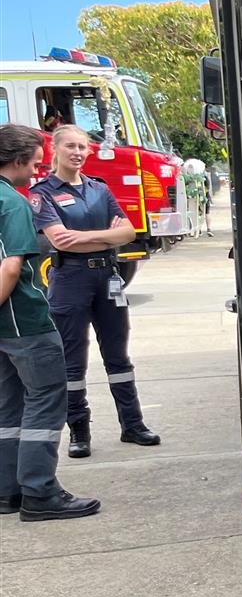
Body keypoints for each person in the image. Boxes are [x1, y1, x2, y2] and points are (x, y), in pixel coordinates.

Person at [29, 125, 160, 458]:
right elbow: (60, 240)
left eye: (83, 147)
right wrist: (106, 236)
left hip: (107, 278)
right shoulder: (42, 193)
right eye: (70, 146)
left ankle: (133, 425)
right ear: (55, 150)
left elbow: (129, 232)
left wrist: (87, 238)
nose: (77, 152)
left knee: (118, 357)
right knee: (73, 363)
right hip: (69, 280)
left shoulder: (99, 189)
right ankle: (79, 431)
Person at [0, 124, 99, 520]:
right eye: (34, 164)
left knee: (8, 410)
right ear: (19, 161)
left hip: (4, 332)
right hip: (25, 323)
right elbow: (11, 268)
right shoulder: (13, 203)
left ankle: (8, 490)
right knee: (44, 404)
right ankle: (40, 492)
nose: (36, 172)